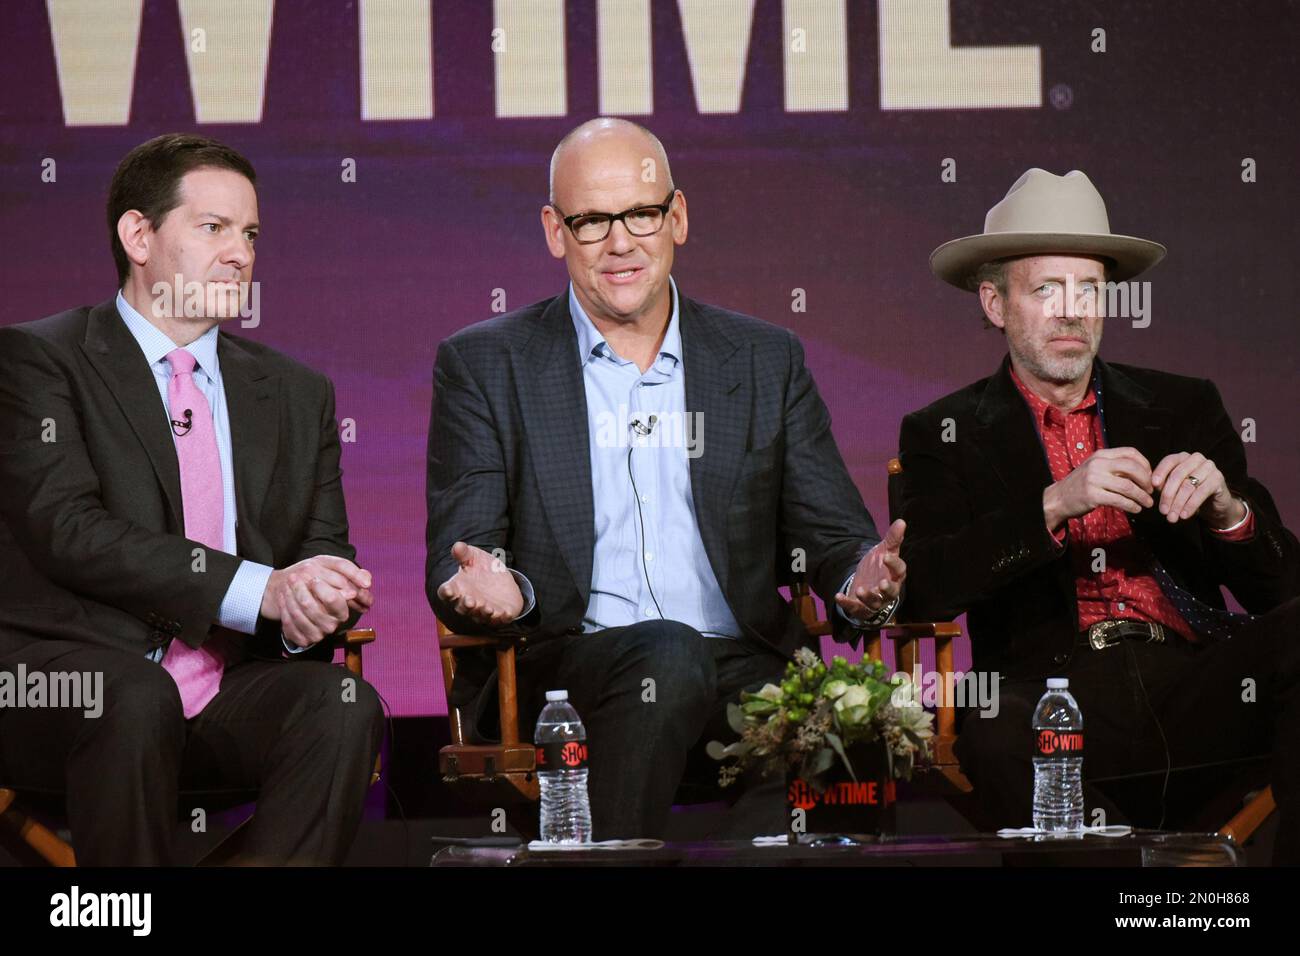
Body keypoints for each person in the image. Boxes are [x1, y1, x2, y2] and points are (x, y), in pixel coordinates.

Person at [426, 117, 906, 840]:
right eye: (591, 222)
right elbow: (461, 555)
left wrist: (857, 580)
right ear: (556, 232)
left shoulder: (761, 359)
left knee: (850, 713)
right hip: (568, 667)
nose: (620, 243)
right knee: (669, 653)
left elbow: (834, 537)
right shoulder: (488, 364)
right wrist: (503, 588)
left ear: (676, 216)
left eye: (642, 214)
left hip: (741, 662)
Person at [0, 134, 384, 865]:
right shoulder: (39, 360)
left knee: (340, 706)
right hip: (61, 688)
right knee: (134, 697)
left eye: (250, 233)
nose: (240, 252)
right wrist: (258, 589)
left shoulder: (298, 393)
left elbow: (320, 549)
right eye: (213, 228)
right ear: (138, 235)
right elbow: (69, 530)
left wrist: (312, 600)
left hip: (222, 691)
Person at [897, 167, 1300, 862]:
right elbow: (925, 584)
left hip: (1195, 690)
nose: (1072, 310)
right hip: (1054, 699)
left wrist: (1229, 512)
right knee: (985, 718)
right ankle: (1142, 892)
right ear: (994, 303)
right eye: (1046, 289)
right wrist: (1057, 502)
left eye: (1089, 289)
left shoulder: (1183, 406)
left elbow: (1282, 590)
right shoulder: (945, 431)